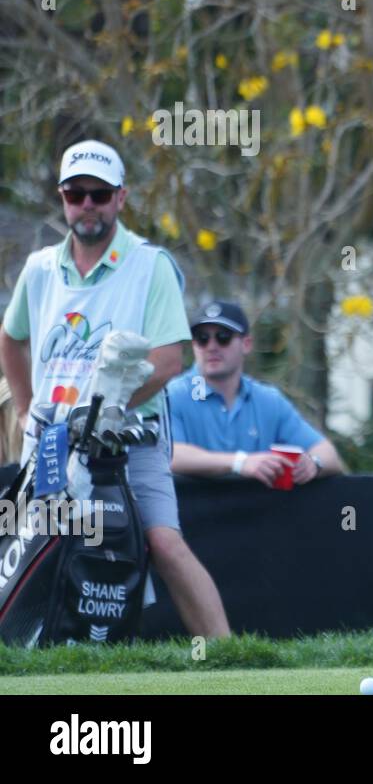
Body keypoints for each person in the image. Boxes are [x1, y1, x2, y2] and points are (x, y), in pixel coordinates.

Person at [0, 141, 231, 638]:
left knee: (163, 543)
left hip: (127, 443)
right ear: (62, 198)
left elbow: (172, 358)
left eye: (99, 194)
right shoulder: (40, 268)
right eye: (76, 193)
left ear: (121, 198)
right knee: (32, 551)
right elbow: (11, 338)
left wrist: (106, 412)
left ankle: (227, 655)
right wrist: (23, 409)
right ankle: (36, 653)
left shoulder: (151, 265)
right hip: (51, 444)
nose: (87, 204)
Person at [167, 300, 345, 486]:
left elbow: (328, 454)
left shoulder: (268, 399)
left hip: (256, 514)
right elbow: (169, 455)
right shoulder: (174, 394)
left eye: (223, 336)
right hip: (193, 513)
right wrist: (240, 462)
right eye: (202, 338)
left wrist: (313, 464)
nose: (211, 346)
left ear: (246, 344)